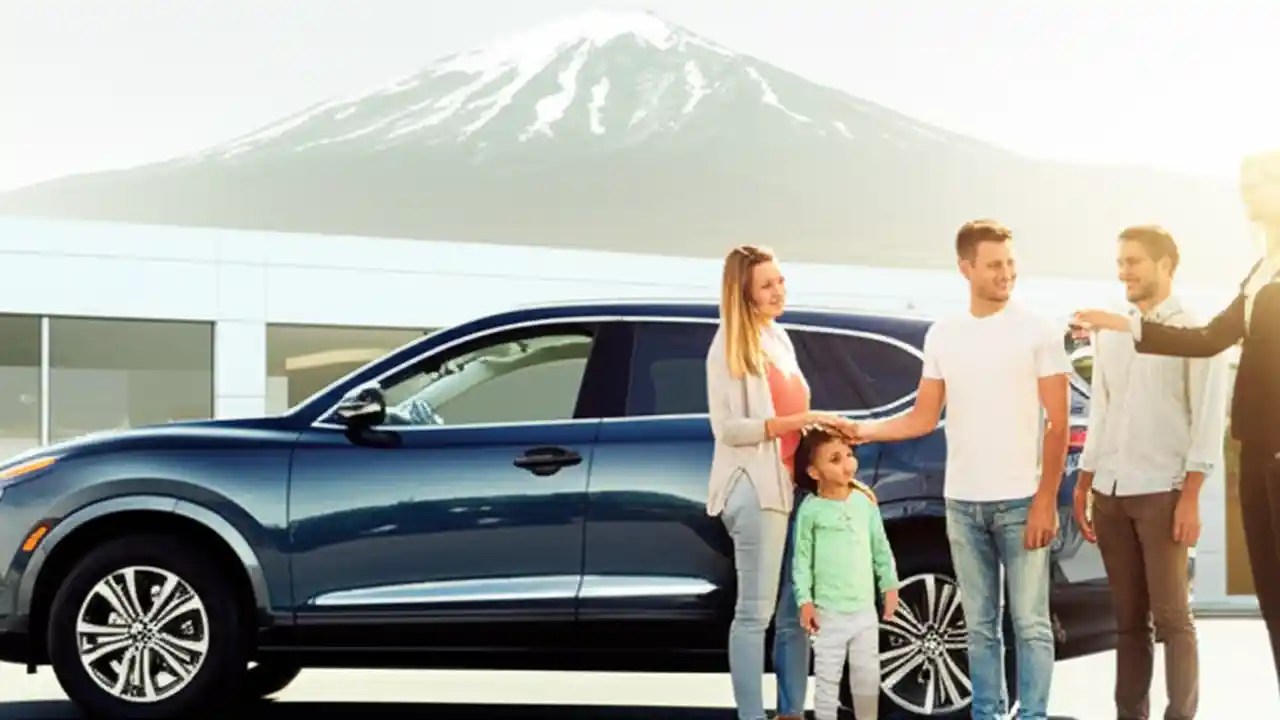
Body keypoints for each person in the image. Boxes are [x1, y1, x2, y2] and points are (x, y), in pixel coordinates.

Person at [1072, 148, 1280, 694]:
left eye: (1260, 180)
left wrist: (1190, 491)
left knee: (1187, 616)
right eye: (1245, 180)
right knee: (1271, 601)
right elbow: (1210, 340)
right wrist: (1126, 326)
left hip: (1241, 461)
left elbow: (1206, 378)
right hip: (1254, 450)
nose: (1247, 191)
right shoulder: (1259, 273)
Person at [852, 219, 1071, 720]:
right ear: (965, 268)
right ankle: (986, 715)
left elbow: (1058, 423)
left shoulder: (1037, 330)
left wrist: (1044, 499)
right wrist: (863, 431)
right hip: (962, 503)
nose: (1007, 273)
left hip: (1021, 501)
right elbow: (923, 417)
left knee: (1031, 623)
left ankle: (1032, 715)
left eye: (1011, 263)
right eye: (995, 264)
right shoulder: (943, 333)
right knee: (978, 625)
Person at [1073, 225, 1229, 720]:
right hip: (1112, 490)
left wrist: (1191, 495)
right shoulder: (1112, 332)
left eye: (1135, 261)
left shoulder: (1196, 331)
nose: (1125, 272)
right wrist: (1085, 480)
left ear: (1166, 266)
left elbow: (1206, 418)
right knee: (1127, 622)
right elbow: (1102, 409)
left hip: (1162, 492)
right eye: (1120, 262)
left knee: (1174, 620)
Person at [706, 244, 856, 720]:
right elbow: (728, 429)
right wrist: (795, 420)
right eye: (767, 285)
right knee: (755, 615)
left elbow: (794, 419)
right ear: (744, 292)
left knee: (796, 614)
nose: (778, 291)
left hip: (794, 488)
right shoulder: (730, 343)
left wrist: (823, 430)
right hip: (755, 490)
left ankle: (791, 712)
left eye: (781, 281)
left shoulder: (780, 338)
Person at [790, 426, 900, 720]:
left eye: (849, 455)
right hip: (829, 616)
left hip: (864, 613)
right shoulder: (811, 510)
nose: (847, 463)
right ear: (814, 472)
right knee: (827, 681)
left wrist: (889, 586)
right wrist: (805, 601)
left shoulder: (865, 503)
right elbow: (801, 560)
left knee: (866, 676)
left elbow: (880, 547)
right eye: (835, 459)